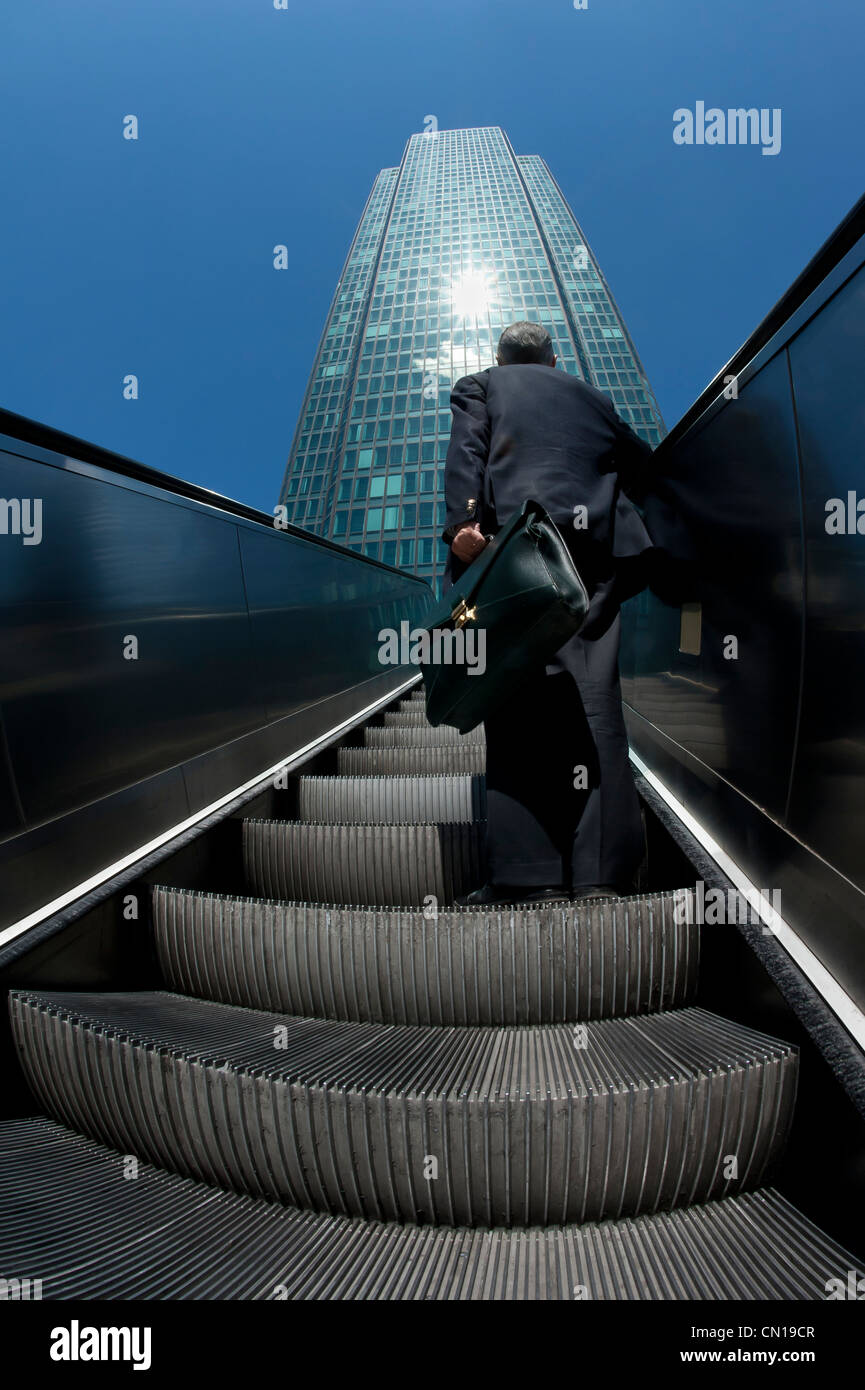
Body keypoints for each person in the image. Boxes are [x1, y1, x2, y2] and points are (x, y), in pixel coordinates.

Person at [441, 320, 657, 905]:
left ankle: (528, 874)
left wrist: (463, 521)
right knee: (596, 708)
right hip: (594, 557)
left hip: (519, 550)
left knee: (516, 707)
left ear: (499, 357)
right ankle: (600, 878)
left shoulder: (481, 385)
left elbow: (468, 448)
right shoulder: (595, 398)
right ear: (555, 359)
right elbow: (644, 467)